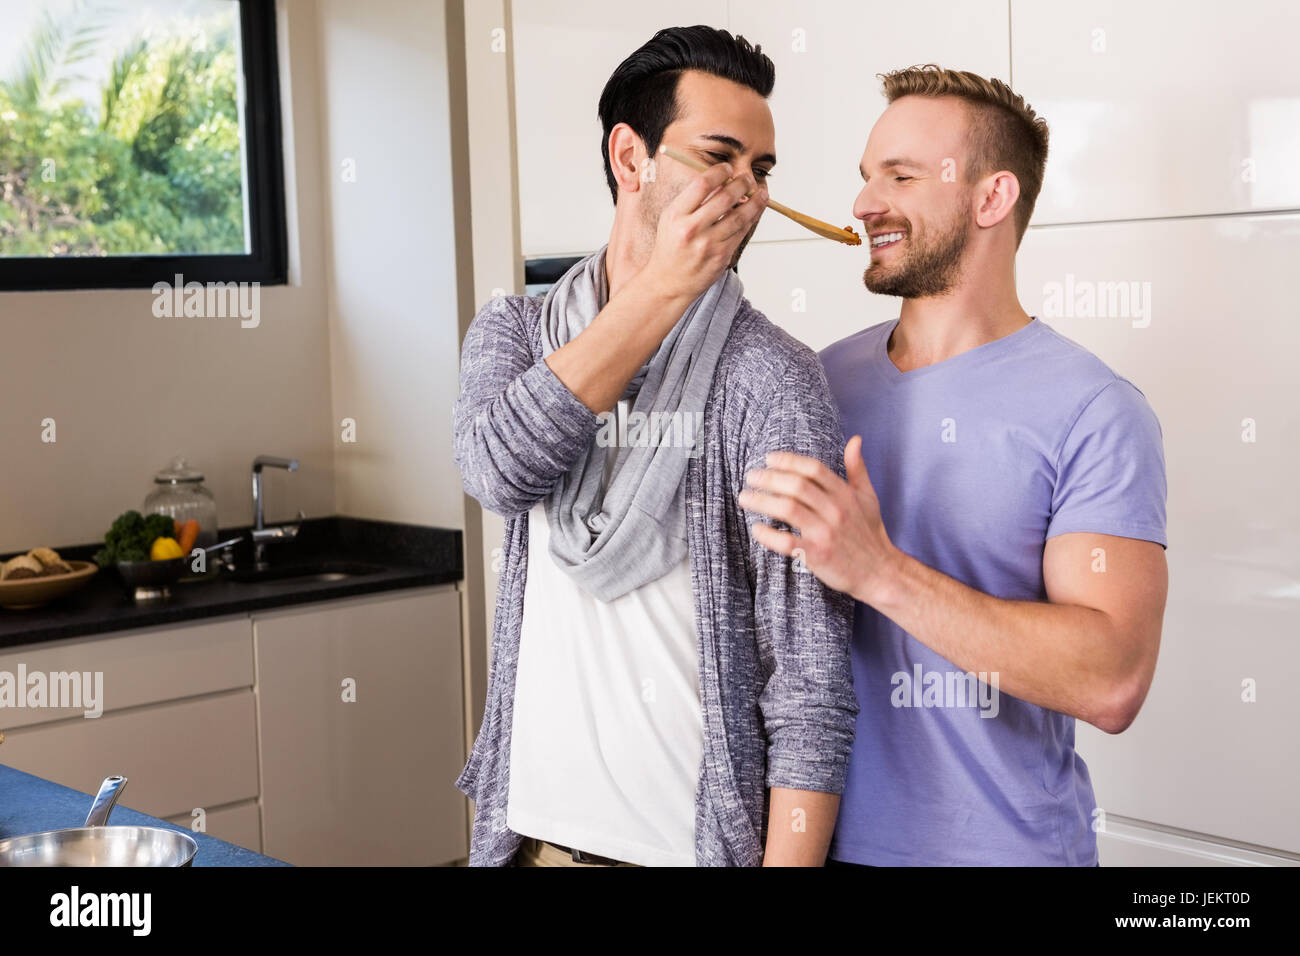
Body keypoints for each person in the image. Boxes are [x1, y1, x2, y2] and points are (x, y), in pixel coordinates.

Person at [740, 64, 1168, 866]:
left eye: (900, 176)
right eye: (867, 178)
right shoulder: (815, 385)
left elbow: (1112, 681)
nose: (865, 204)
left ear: (991, 198)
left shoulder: (1095, 410)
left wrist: (879, 571)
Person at [453, 25, 858, 867]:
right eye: (721, 156)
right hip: (530, 848)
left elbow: (810, 684)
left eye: (762, 169)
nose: (746, 190)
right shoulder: (516, 332)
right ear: (630, 158)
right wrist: (665, 287)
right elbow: (497, 470)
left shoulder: (772, 378)